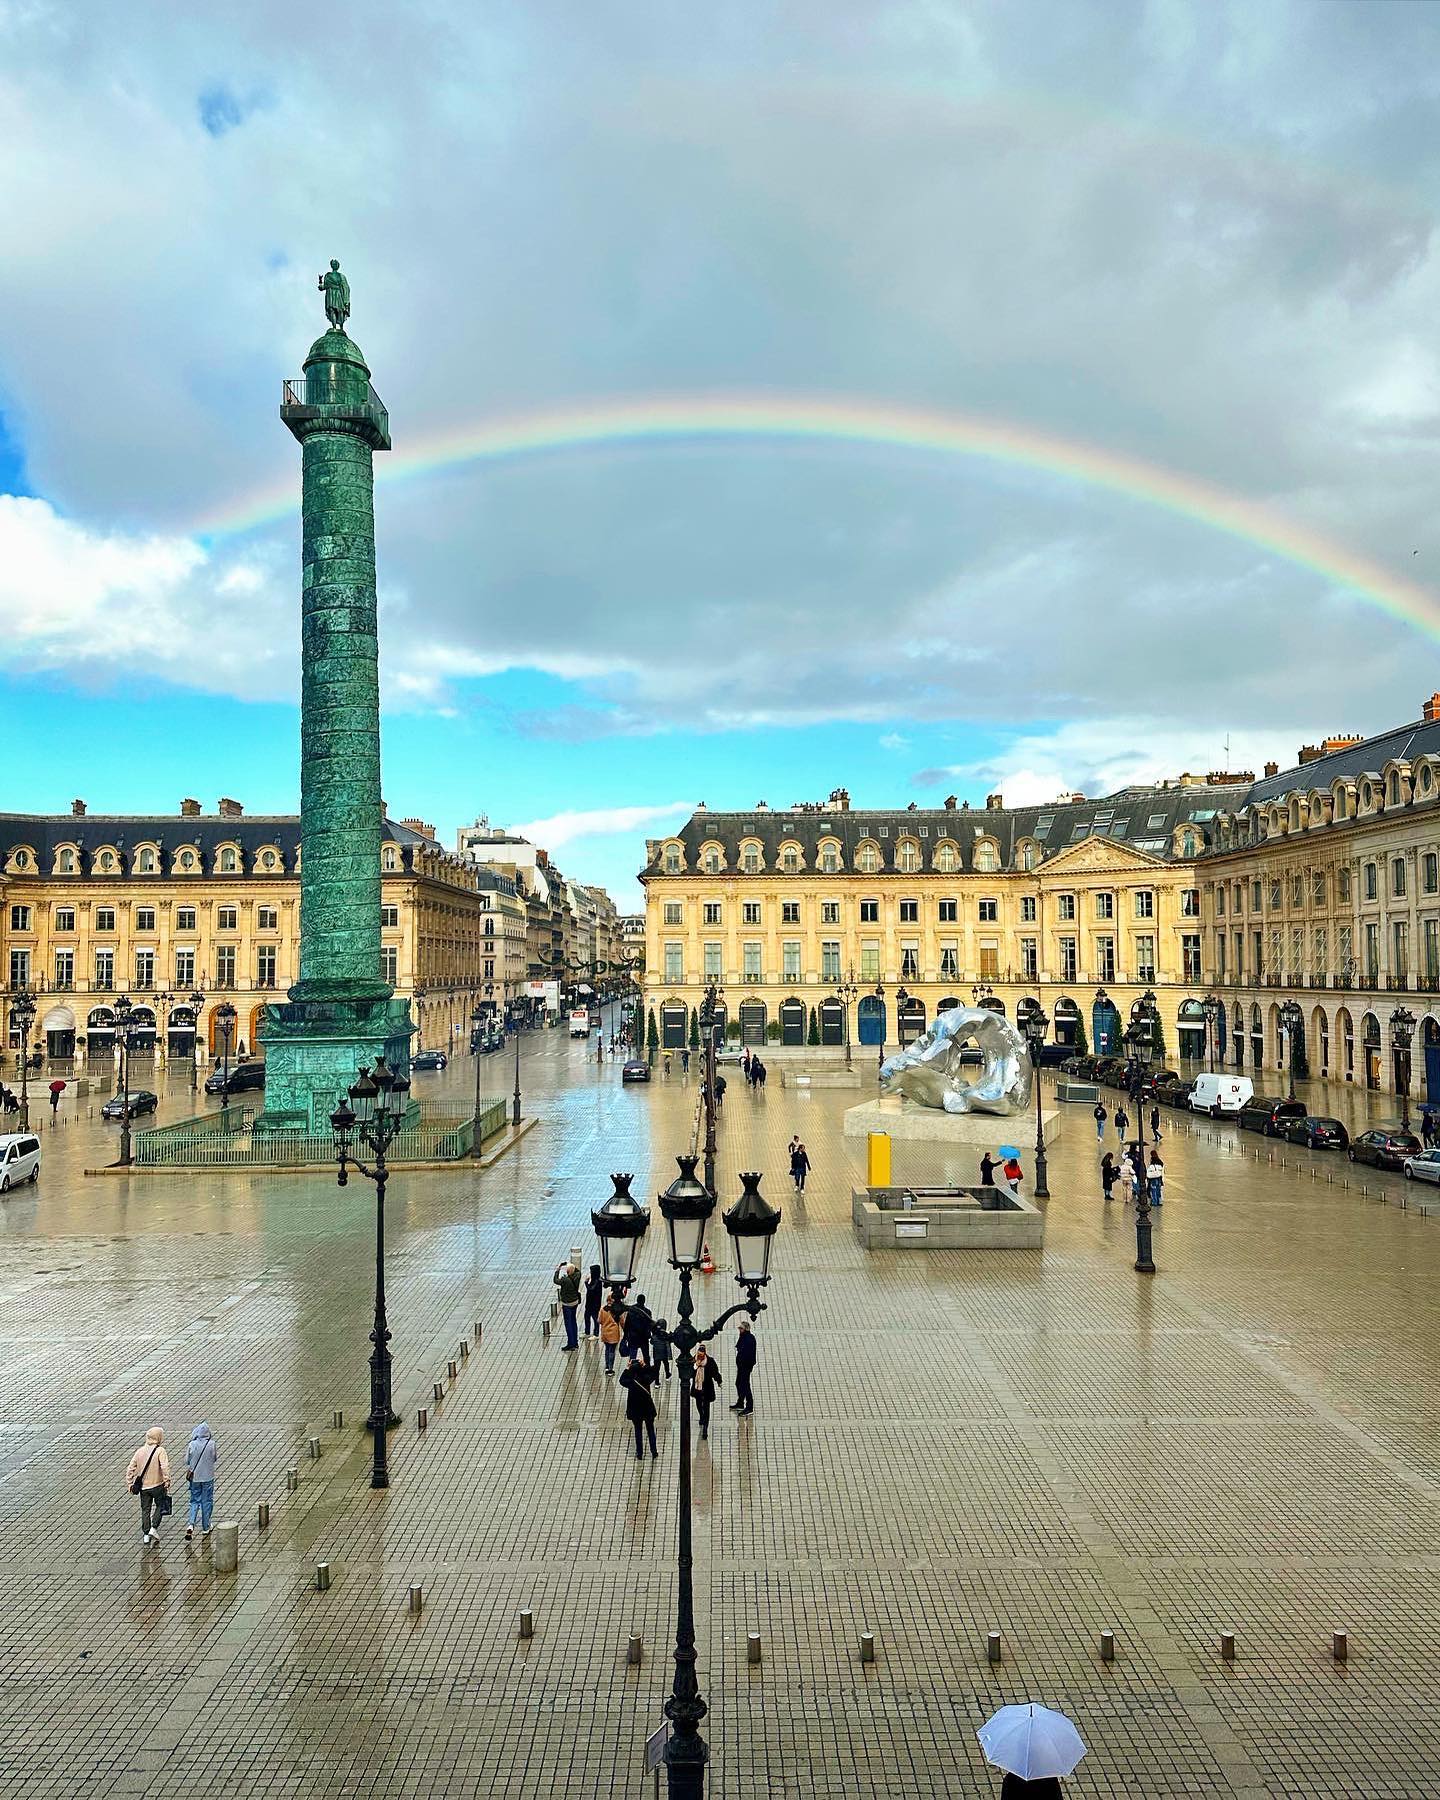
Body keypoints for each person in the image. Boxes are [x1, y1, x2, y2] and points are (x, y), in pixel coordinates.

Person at [125, 1427, 170, 1546]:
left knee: (145, 1509)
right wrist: (167, 1480)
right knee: (160, 1505)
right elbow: (165, 1467)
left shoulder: (139, 1451)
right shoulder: (160, 1450)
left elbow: (130, 1468)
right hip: (158, 1485)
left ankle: (145, 1534)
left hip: (144, 1488)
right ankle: (153, 1528)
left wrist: (130, 1483)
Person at [620, 1354, 659, 1459]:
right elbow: (654, 1373)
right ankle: (654, 1451)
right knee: (650, 1429)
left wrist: (627, 1369)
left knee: (638, 1431)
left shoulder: (631, 1382)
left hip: (635, 1410)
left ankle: (639, 1453)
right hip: (647, 1409)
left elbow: (621, 1380)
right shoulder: (646, 1378)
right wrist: (645, 1365)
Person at [183, 1422, 217, 1541]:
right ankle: (206, 1526)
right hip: (208, 1477)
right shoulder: (211, 1444)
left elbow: (186, 1460)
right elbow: (214, 1458)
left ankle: (191, 1524)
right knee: (206, 1501)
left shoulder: (192, 1444)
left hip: (195, 1477)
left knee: (194, 1500)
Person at [691, 1346, 722, 1440]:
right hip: (697, 1387)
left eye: (701, 1355)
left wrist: (719, 1381)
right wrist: (695, 1366)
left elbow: (715, 1372)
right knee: (699, 1404)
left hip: (707, 1387)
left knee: (707, 1407)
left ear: (704, 1354)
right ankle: (701, 1415)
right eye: (698, 1355)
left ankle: (705, 1428)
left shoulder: (710, 1361)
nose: (699, 1357)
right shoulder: (693, 1360)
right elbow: (689, 1372)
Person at [553, 1261, 582, 1351]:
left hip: (567, 1304)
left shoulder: (565, 1280)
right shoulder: (577, 1275)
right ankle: (575, 1342)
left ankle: (571, 1344)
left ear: (568, 1272)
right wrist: (570, 1266)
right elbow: (576, 1270)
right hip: (575, 1302)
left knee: (568, 1323)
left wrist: (558, 1269)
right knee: (573, 1321)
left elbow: (555, 1280)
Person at [731, 1319, 757, 1416]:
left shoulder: (749, 1339)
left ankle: (749, 1407)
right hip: (742, 1366)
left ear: (745, 1329)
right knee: (738, 1383)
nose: (739, 1330)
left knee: (745, 1386)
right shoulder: (743, 1337)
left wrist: (744, 1363)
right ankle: (740, 1402)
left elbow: (747, 1353)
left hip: (746, 1366)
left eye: (741, 1328)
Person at [621, 1292, 653, 1359]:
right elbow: (649, 1325)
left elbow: (627, 1324)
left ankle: (632, 1367)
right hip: (643, 1337)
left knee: (632, 1355)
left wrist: (625, 1336)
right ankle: (647, 1367)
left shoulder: (631, 1311)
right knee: (646, 1355)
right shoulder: (647, 1312)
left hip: (633, 1337)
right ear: (644, 1301)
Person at [598, 1297, 622, 1374]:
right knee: (612, 1350)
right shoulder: (616, 1310)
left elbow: (599, 1320)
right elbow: (622, 1321)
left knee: (607, 1349)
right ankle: (610, 1369)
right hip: (614, 1333)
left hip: (605, 1332)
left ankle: (607, 1366)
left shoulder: (602, 1309)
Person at [582, 1264, 604, 1338]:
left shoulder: (598, 1281)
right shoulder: (594, 1279)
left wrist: (586, 1283)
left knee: (595, 1318)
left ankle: (596, 1333)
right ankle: (587, 1332)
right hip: (589, 1303)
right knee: (586, 1317)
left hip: (594, 1304)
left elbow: (591, 1289)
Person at [649, 1315, 673, 1380]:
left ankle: (657, 1382)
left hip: (656, 1354)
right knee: (666, 1364)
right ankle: (667, 1375)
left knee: (657, 1368)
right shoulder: (666, 1335)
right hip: (664, 1353)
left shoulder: (654, 1336)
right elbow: (671, 1339)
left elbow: (651, 1342)